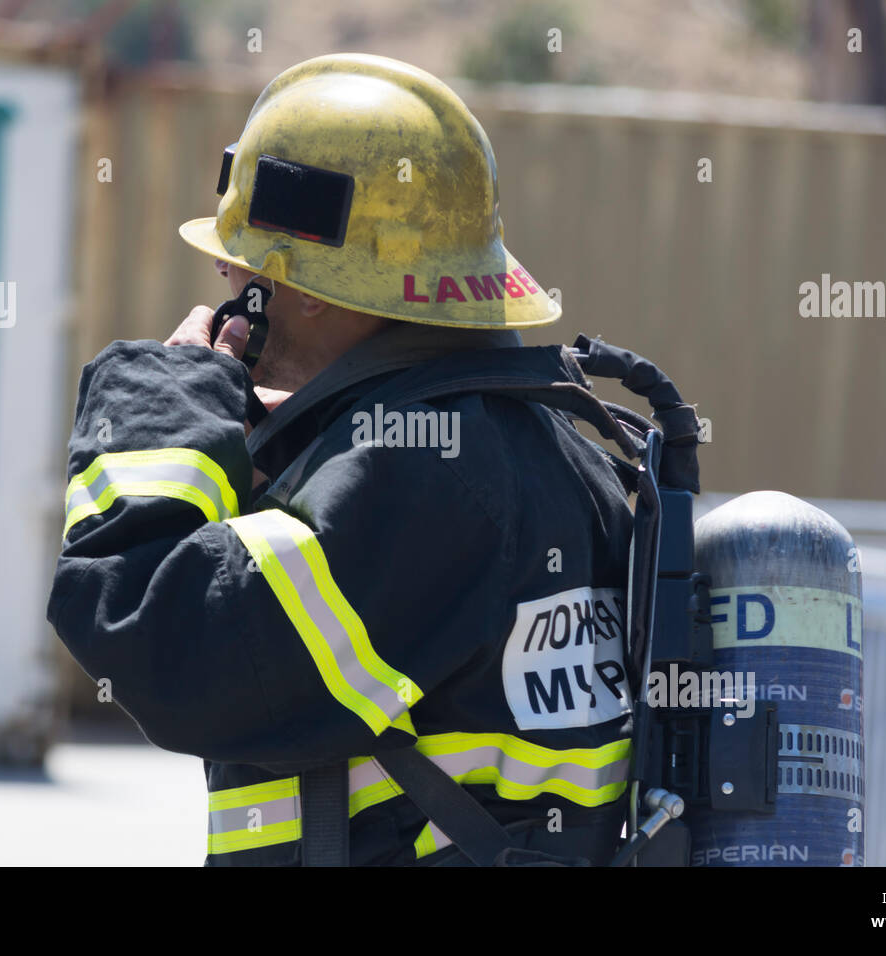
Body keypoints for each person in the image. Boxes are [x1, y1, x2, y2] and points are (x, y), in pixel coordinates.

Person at [47, 53, 636, 866]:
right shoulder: (537, 447)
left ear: (318, 286)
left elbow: (162, 640)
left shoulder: (425, 472)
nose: (225, 269)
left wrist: (160, 407)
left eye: (246, 255)